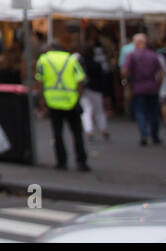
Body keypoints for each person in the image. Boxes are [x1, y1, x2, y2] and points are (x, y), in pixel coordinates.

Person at [35, 41, 91, 172]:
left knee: (57, 133)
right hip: (71, 100)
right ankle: (81, 161)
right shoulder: (71, 59)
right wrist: (78, 97)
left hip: (53, 100)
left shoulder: (43, 60)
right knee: (77, 133)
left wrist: (42, 100)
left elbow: (39, 81)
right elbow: (80, 80)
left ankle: (61, 162)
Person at [122, 32, 163, 145]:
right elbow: (160, 73)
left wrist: (127, 84)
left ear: (135, 43)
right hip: (152, 86)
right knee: (153, 112)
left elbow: (125, 71)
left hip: (137, 87)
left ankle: (144, 134)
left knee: (140, 112)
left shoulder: (131, 55)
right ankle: (154, 135)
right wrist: (157, 85)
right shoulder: (153, 55)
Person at [79, 30, 113, 142]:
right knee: (99, 110)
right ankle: (103, 129)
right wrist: (105, 92)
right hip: (96, 89)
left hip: (85, 89)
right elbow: (102, 77)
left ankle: (89, 130)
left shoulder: (80, 64)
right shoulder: (97, 64)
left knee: (87, 110)